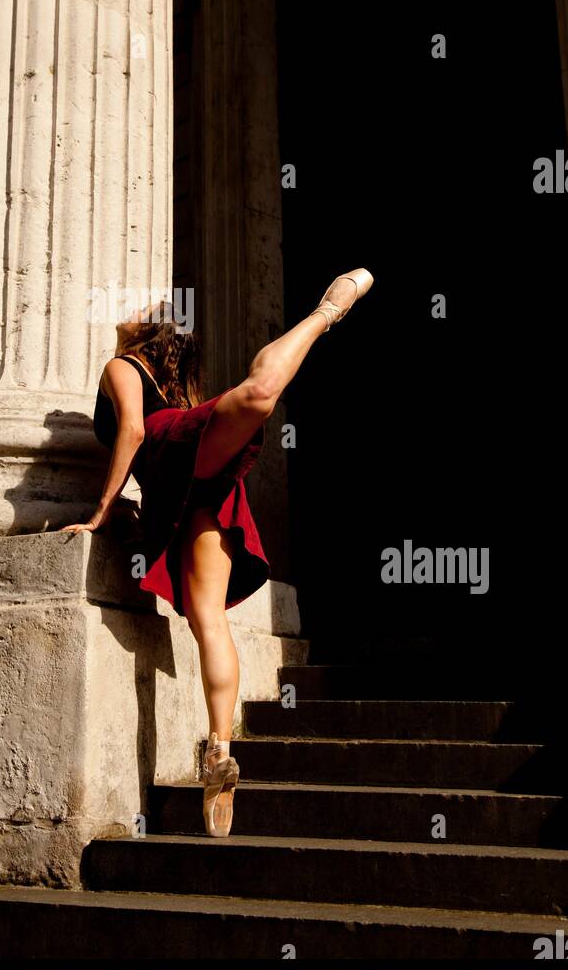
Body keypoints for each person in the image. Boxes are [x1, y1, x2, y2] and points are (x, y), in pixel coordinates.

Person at [62, 269, 374, 835]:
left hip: (178, 454)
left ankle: (326, 312)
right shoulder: (165, 381)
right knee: (209, 621)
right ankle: (219, 753)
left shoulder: (121, 366)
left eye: (137, 306)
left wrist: (100, 512)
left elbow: (132, 433)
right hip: (187, 489)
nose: (123, 307)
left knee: (257, 395)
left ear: (145, 334)